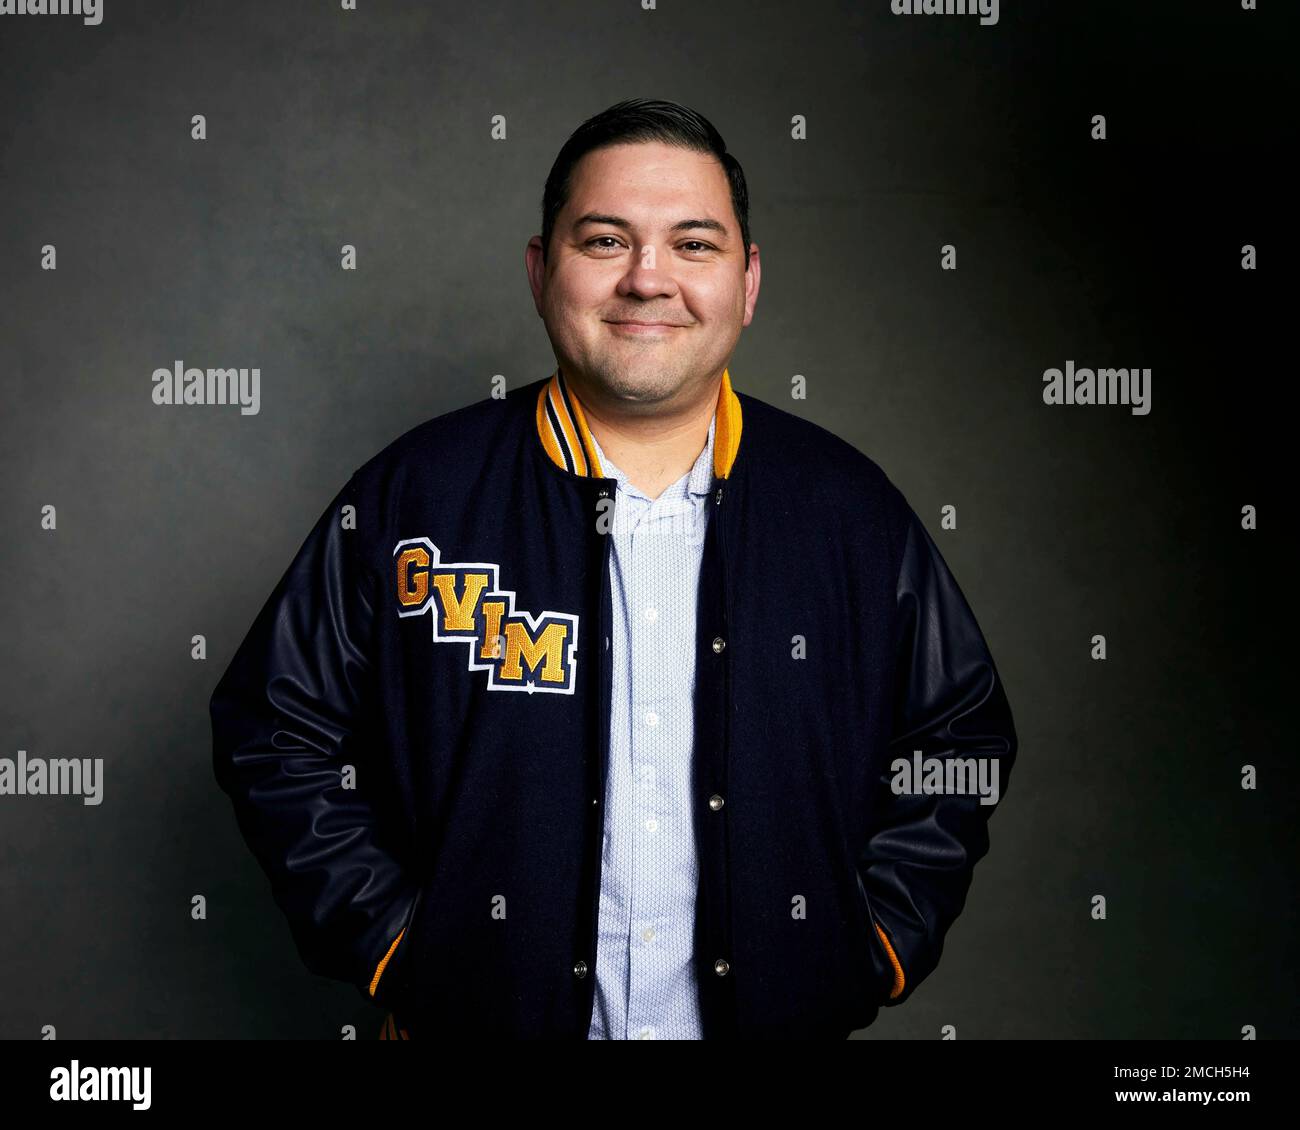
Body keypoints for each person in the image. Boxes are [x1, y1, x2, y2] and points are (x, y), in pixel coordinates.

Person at [210, 97, 1018, 1041]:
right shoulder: (414, 497)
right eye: (604, 241)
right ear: (539, 270)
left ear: (748, 282)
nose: (648, 279)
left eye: (694, 245)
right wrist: (401, 949)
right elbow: (275, 729)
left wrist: (869, 943)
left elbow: (958, 736)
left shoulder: (849, 511)